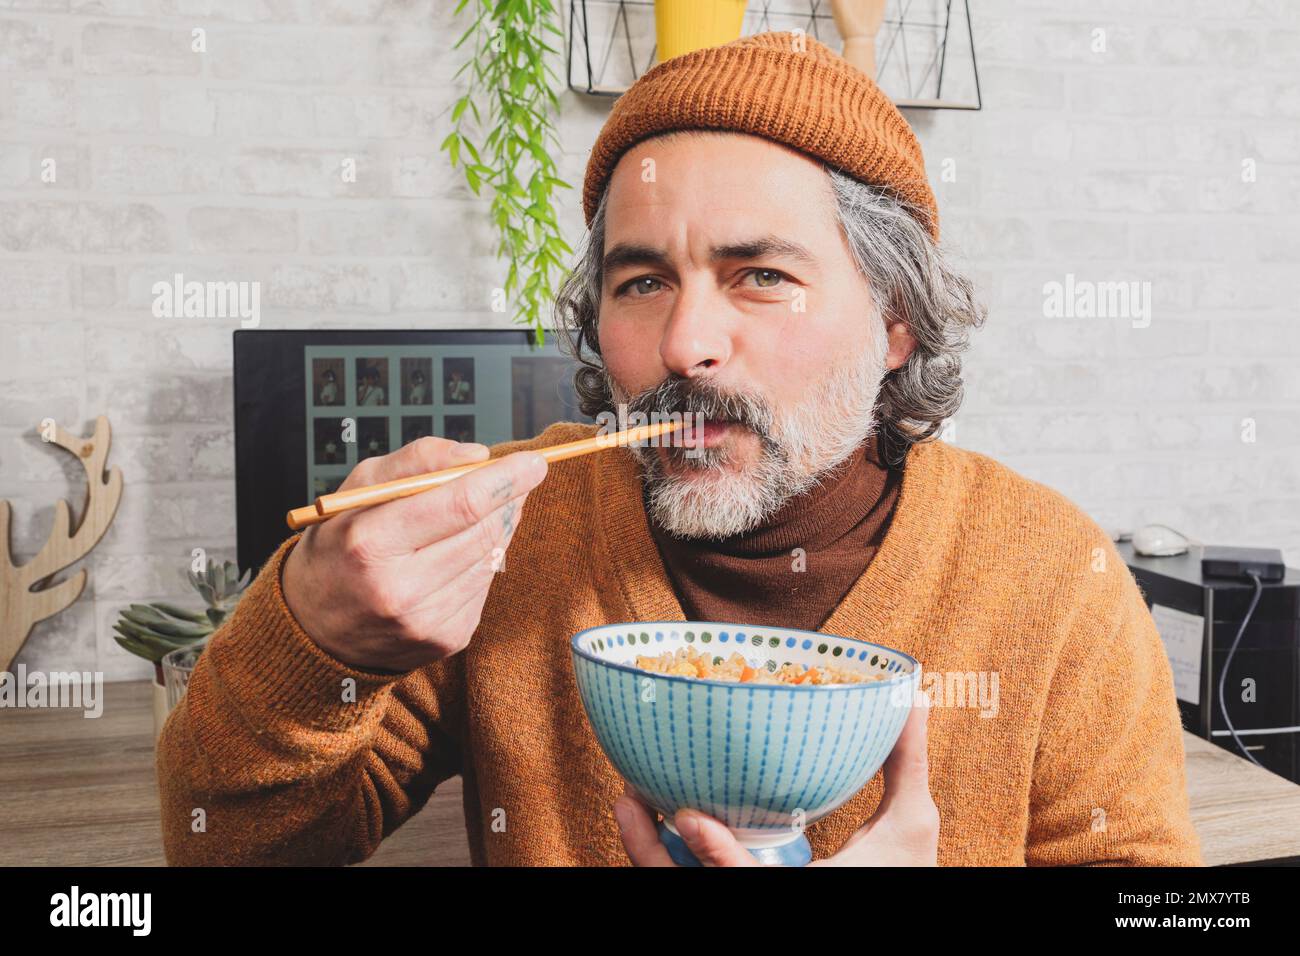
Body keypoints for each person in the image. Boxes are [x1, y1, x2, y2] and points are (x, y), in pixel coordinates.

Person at [157, 31, 1201, 867]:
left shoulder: (1052, 575)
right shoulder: (517, 537)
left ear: (895, 325)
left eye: (760, 276)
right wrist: (314, 635)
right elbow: (231, 847)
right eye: (641, 280)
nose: (683, 343)